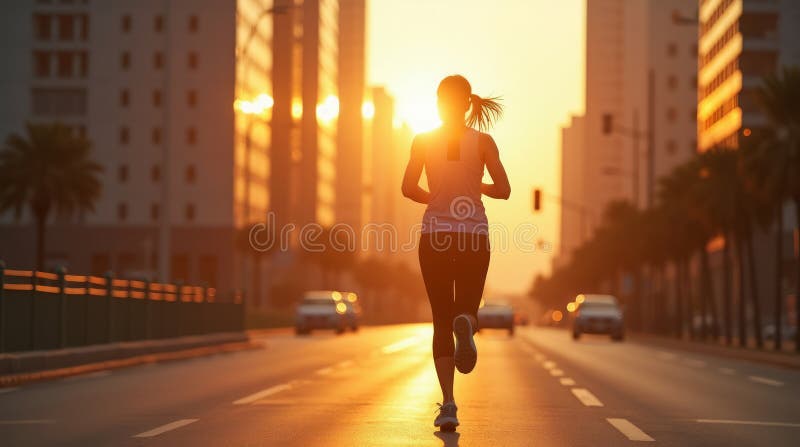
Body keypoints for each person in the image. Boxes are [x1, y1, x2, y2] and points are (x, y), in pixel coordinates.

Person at [401, 75, 510, 431]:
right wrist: (472, 182)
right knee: (466, 309)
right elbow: (505, 190)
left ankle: (448, 404)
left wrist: (433, 197)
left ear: (437, 104)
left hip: (435, 236)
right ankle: (468, 323)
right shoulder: (483, 142)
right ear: (467, 104)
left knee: (440, 319)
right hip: (472, 236)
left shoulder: (423, 140)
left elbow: (407, 187)